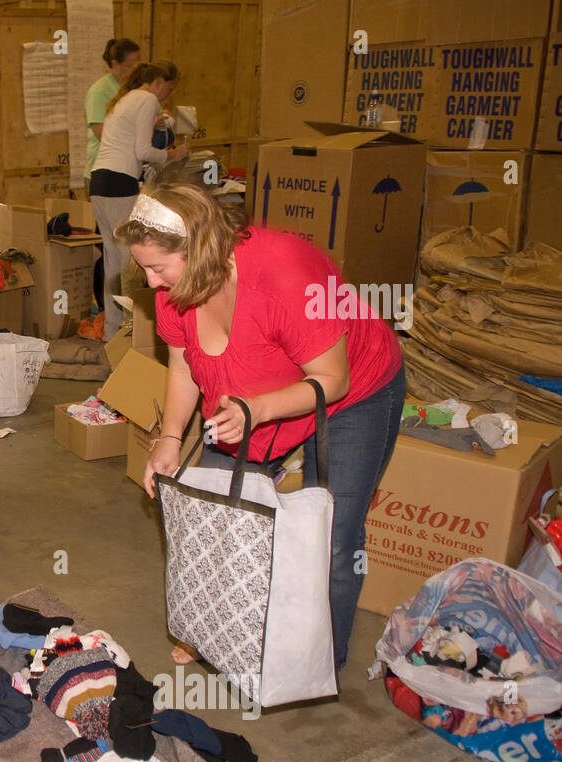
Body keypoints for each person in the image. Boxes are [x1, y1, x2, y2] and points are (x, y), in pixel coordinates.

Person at [128, 171, 405, 672]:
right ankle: (217, 628)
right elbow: (184, 364)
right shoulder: (177, 288)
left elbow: (332, 379)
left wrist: (257, 411)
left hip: (351, 395)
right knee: (213, 516)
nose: (150, 283)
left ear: (198, 249)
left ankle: (317, 660)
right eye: (143, 268)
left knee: (334, 534)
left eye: (158, 267)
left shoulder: (285, 275)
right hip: (251, 395)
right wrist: (169, 438)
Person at [91, 61, 187, 341]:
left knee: (112, 260)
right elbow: (143, 150)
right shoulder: (147, 99)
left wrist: (154, 124)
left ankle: (113, 332)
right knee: (128, 263)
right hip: (120, 182)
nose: (166, 96)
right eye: (168, 89)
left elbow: (128, 137)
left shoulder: (125, 99)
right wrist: (174, 155)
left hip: (99, 181)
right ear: (158, 82)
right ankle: (132, 333)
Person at [84, 38, 141, 192]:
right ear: (115, 64)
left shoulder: (136, 88)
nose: (137, 71)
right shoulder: (100, 91)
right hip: (105, 171)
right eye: (132, 66)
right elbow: (101, 133)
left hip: (129, 169)